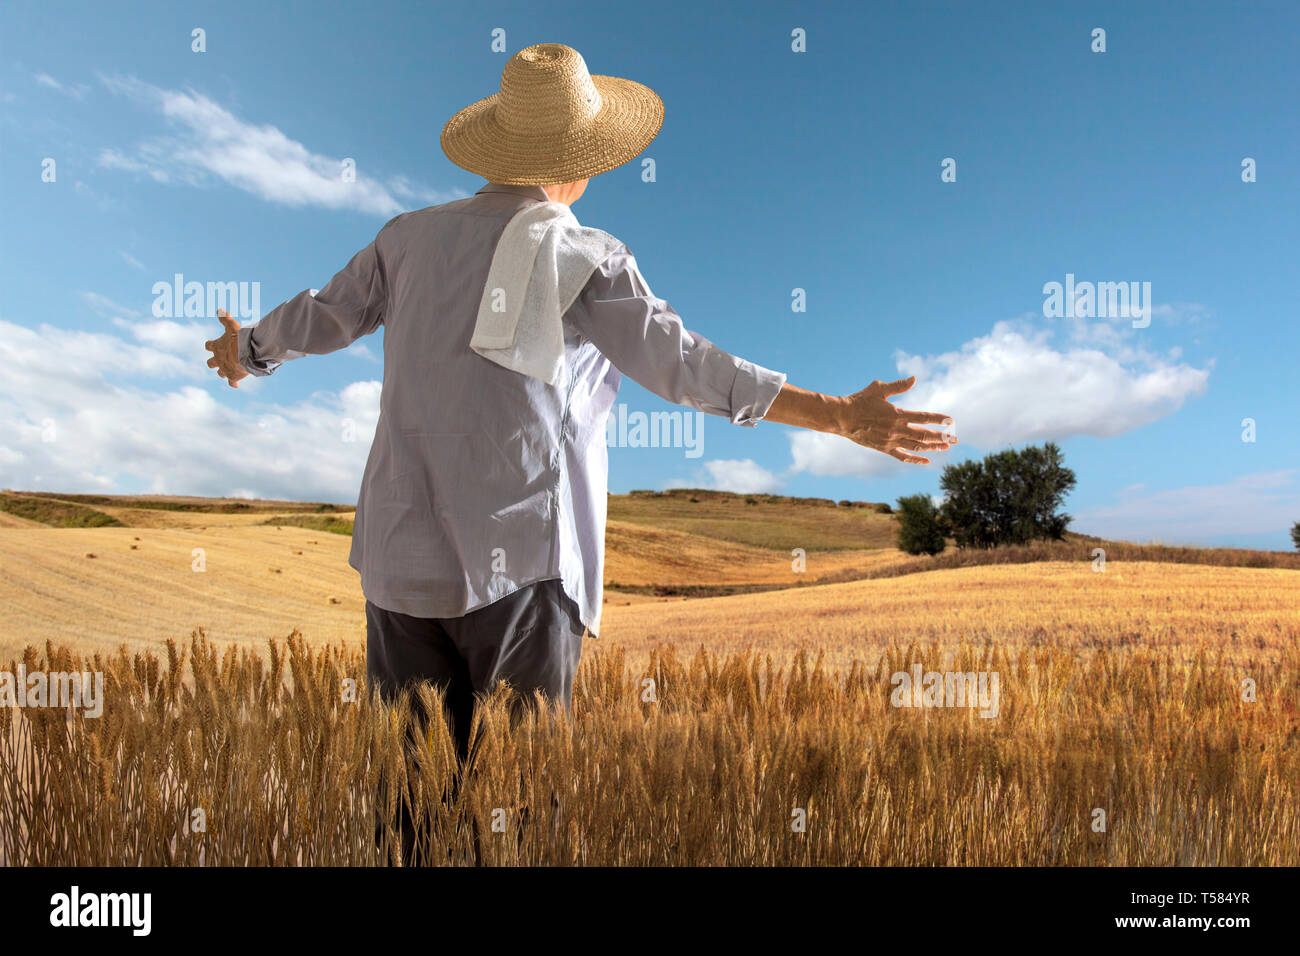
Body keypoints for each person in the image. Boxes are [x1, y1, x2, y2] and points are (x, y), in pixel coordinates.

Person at [204, 43, 955, 858]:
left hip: (399, 565)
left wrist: (248, 352)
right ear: (580, 162)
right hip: (522, 570)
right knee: (520, 822)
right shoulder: (587, 255)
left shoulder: (407, 239)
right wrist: (837, 414)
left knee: (405, 819)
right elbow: (686, 365)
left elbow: (322, 315)